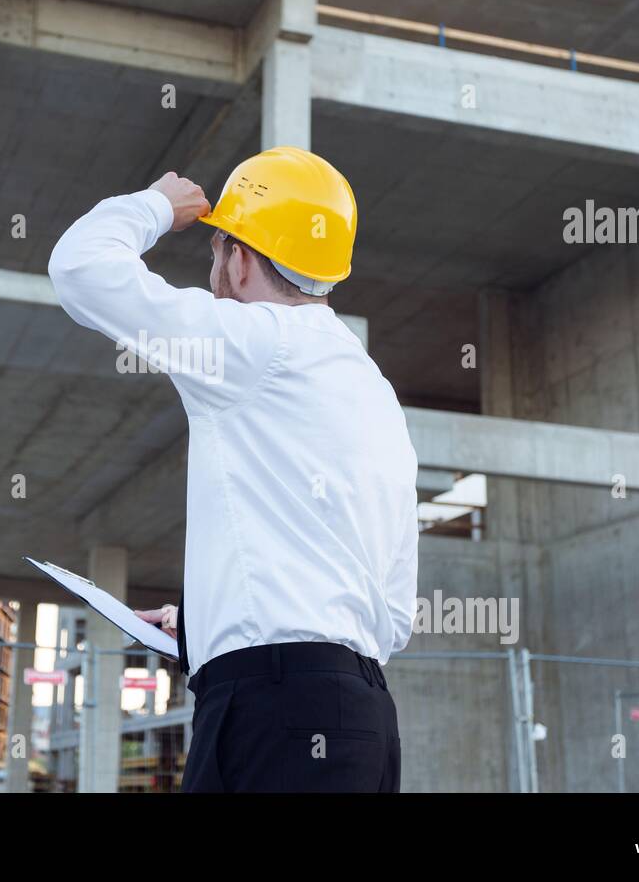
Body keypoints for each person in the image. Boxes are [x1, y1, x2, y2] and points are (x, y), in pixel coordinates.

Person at [48, 146, 418, 792]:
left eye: (216, 253)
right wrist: (210, 620)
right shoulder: (372, 389)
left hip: (273, 714)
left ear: (239, 258)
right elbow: (391, 613)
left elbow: (81, 267)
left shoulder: (255, 344)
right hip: (362, 719)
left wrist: (159, 203)